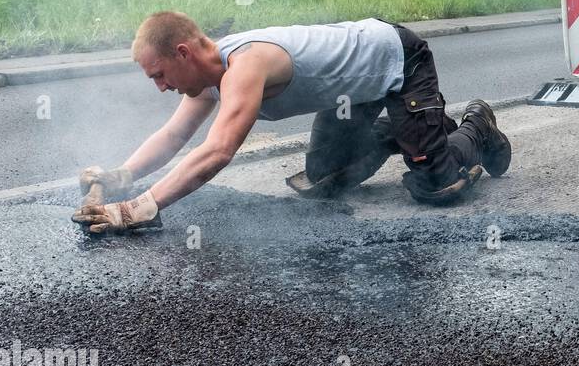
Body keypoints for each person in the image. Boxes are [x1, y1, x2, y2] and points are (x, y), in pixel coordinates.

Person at [73, 12, 510, 234]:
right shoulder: (205, 77)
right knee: (323, 182)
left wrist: (138, 208)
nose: (161, 87)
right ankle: (412, 128)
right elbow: (173, 136)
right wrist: (123, 176)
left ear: (183, 52)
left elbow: (218, 150)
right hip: (351, 95)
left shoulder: (245, 65)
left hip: (399, 60)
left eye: (160, 75)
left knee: (436, 186)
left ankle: (475, 125)